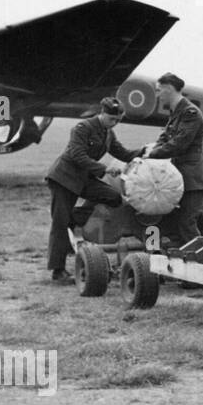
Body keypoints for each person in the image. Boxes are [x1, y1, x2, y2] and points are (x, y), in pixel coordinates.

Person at [44, 97, 140, 281]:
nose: (115, 123)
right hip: (65, 178)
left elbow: (124, 153)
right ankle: (58, 271)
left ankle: (74, 217)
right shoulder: (83, 128)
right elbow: (77, 155)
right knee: (60, 224)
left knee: (112, 196)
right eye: (112, 119)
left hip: (84, 179)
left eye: (118, 120)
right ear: (102, 113)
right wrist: (104, 169)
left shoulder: (108, 133)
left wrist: (146, 151)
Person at [142, 72, 203, 249]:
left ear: (169, 89)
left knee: (187, 223)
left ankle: (201, 263)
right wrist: (153, 149)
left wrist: (153, 154)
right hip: (179, 176)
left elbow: (179, 144)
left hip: (192, 177)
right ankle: (190, 254)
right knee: (181, 220)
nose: (157, 95)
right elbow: (165, 137)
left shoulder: (190, 113)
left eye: (159, 91)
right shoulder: (177, 112)